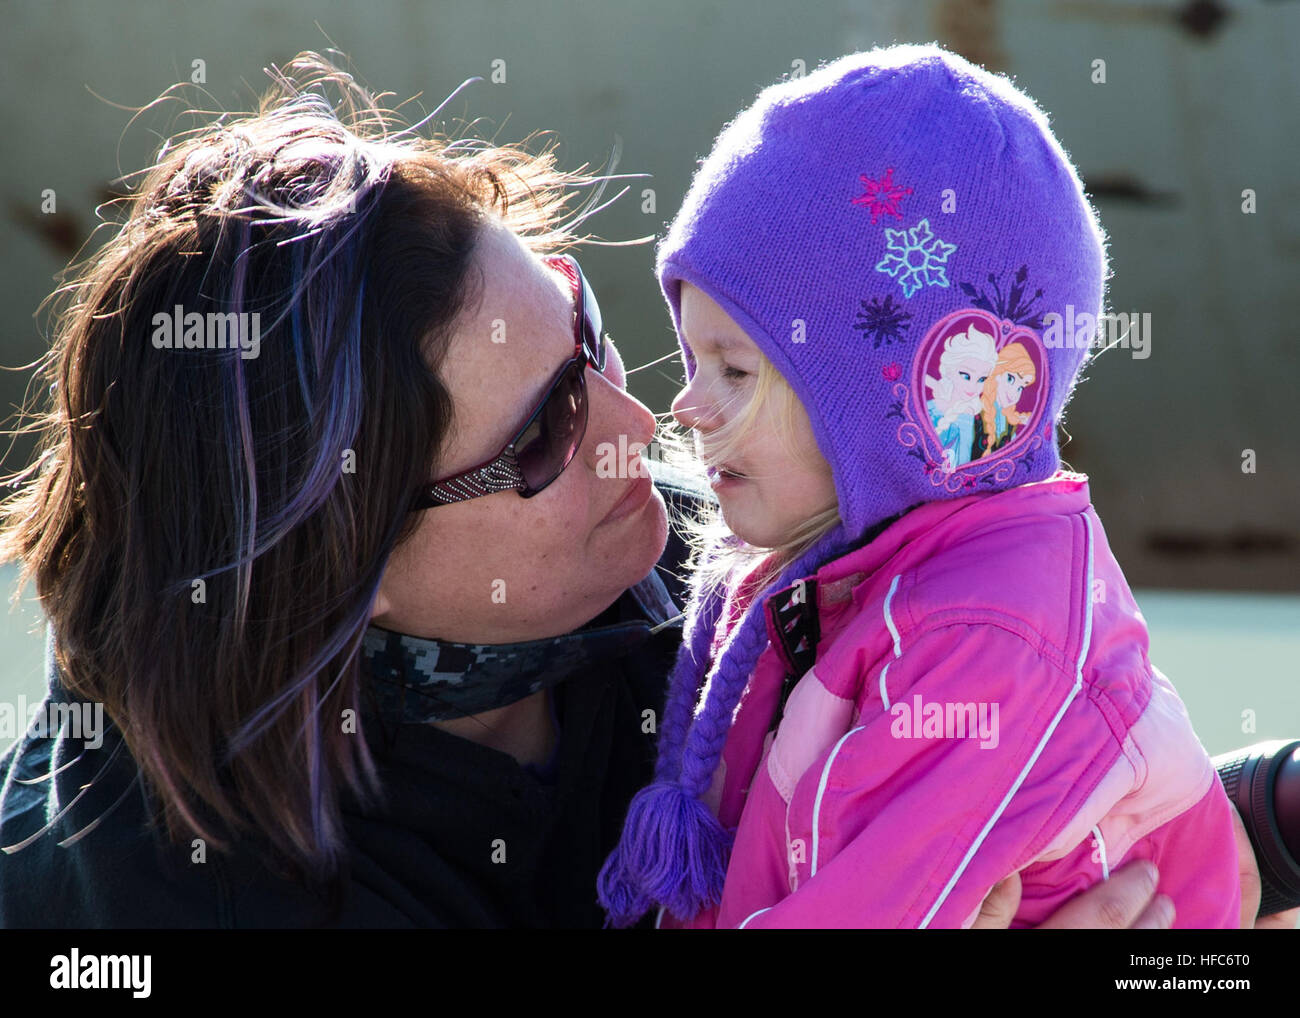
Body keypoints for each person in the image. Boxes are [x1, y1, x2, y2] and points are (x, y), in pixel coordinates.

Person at [0, 51, 1283, 930]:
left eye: (586, 331)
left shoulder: (662, 583)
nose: (643, 425)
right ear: (338, 560)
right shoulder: (174, 893)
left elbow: (983, 800)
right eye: (546, 434)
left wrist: (1267, 820)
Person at [598, 45, 1241, 930]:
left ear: (897, 408)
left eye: (736, 370)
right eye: (690, 354)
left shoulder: (981, 637)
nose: (686, 404)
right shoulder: (826, 571)